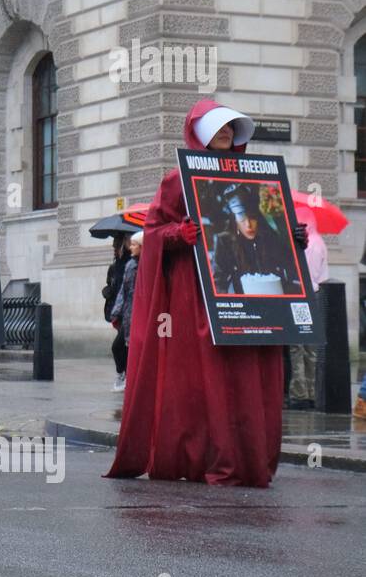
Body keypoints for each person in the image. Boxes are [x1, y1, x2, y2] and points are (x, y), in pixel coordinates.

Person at [108, 100, 306, 487]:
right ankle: (200, 456)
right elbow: (152, 233)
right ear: (198, 132)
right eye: (218, 127)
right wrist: (178, 234)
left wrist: (293, 237)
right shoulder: (175, 180)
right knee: (206, 377)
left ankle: (247, 456)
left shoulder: (254, 177)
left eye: (231, 127)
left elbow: (270, 230)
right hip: (196, 295)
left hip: (251, 298)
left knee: (246, 374)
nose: (226, 132)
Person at [209, 186, 300, 295]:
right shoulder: (224, 242)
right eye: (242, 219)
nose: (248, 225)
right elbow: (218, 283)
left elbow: (291, 269)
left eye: (252, 218)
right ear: (235, 220)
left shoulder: (270, 237)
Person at [286, 207, 328, 408]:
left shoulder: (306, 244)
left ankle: (299, 393)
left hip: (300, 296)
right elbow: (322, 276)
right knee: (311, 347)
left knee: (297, 346)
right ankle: (311, 391)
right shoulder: (321, 242)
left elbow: (300, 273)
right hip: (316, 295)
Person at [109, 230, 141, 381]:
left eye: (134, 244)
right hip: (127, 313)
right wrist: (116, 310)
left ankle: (129, 377)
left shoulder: (139, 265)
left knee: (127, 347)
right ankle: (125, 376)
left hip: (137, 314)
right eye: (130, 243)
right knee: (120, 346)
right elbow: (123, 289)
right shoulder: (127, 264)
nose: (131, 246)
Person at [102, 232, 130, 391]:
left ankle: (123, 375)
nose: (113, 249)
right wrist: (107, 291)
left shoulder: (130, 264)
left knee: (118, 346)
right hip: (118, 313)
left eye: (116, 246)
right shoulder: (114, 267)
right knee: (124, 347)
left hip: (129, 312)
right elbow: (113, 287)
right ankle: (125, 376)